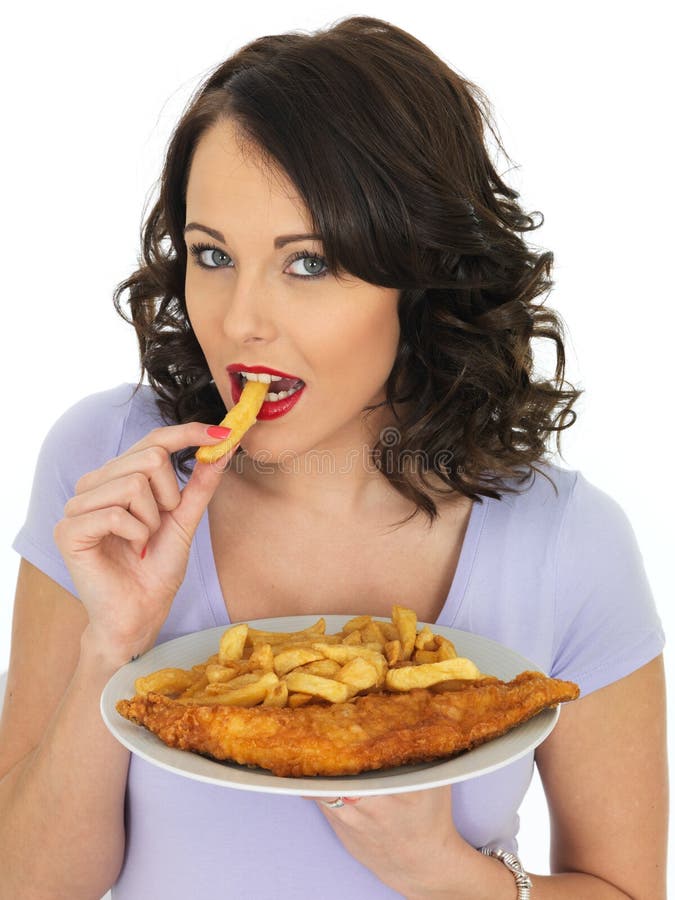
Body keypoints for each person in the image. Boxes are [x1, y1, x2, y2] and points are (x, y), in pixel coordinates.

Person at [0, 14, 667, 900]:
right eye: (212, 255)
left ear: (419, 273)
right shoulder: (110, 470)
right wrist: (107, 647)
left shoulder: (568, 542)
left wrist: (439, 871)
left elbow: (625, 890)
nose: (240, 322)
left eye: (307, 263)